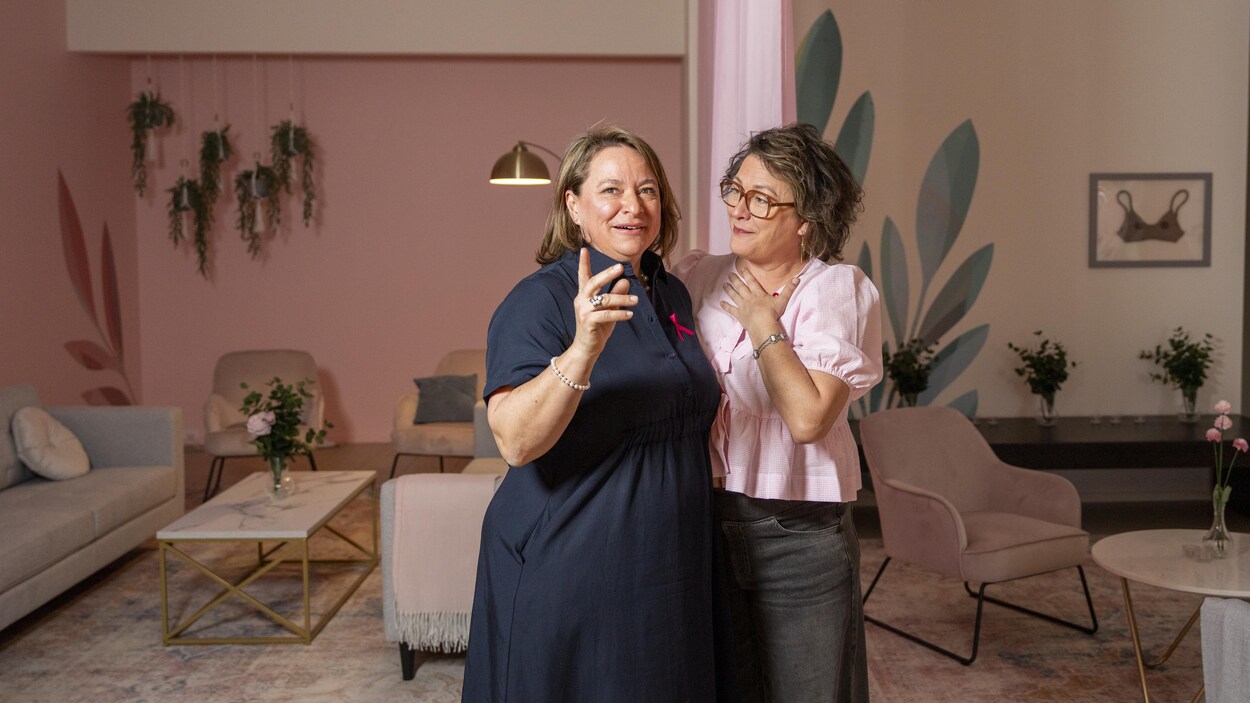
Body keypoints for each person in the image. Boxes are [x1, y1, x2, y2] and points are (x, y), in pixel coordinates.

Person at [462, 126, 724, 702]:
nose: (633, 205)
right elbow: (514, 442)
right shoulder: (540, 300)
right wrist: (582, 347)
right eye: (611, 190)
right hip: (572, 562)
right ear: (573, 205)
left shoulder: (671, 293)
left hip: (667, 562)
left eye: (649, 189)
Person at [674, 123, 883, 703]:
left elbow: (809, 418)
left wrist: (765, 325)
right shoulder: (697, 276)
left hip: (799, 532)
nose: (739, 209)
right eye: (735, 190)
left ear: (806, 218)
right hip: (705, 517)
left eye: (761, 199)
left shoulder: (835, 291)